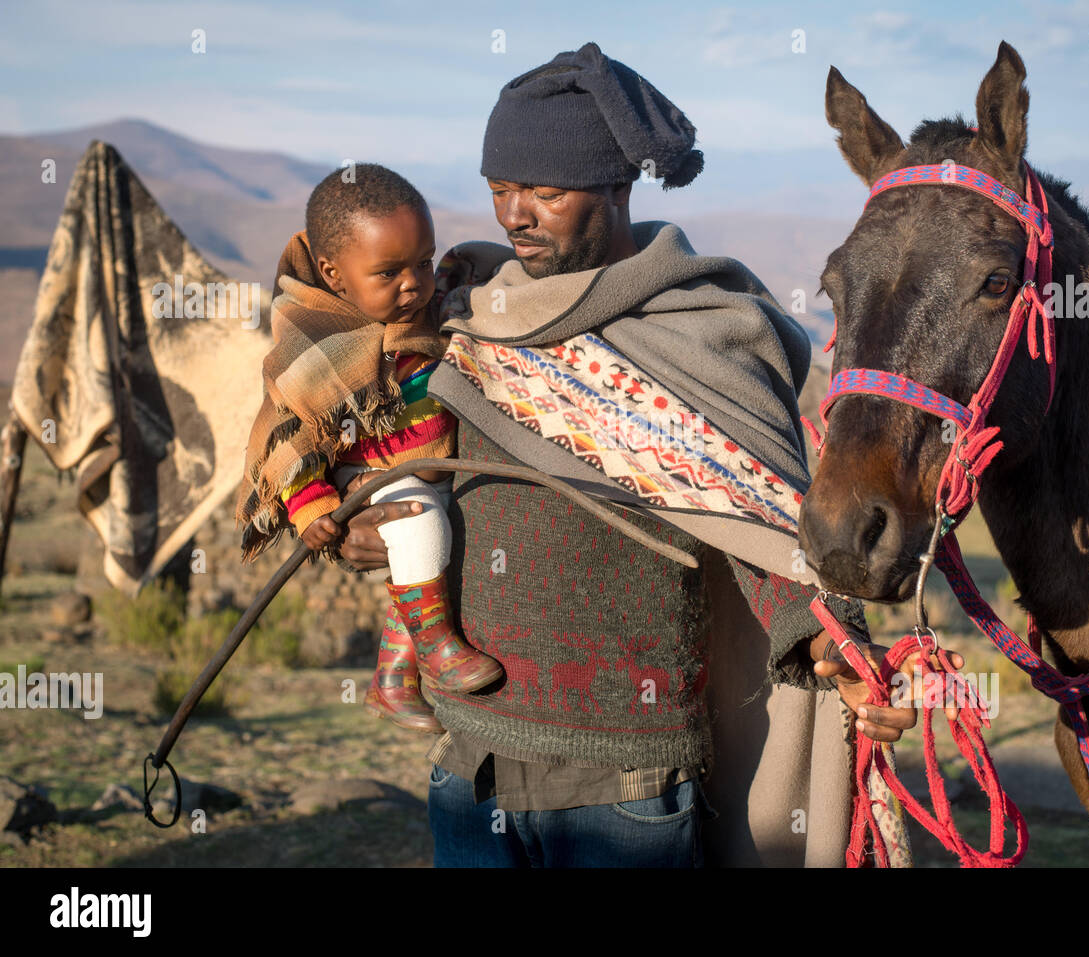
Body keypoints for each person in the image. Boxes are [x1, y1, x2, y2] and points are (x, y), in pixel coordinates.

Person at [339, 43, 945, 868]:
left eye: (545, 192)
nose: (515, 214)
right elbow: (400, 465)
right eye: (499, 190)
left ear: (618, 187)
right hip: (470, 767)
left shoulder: (710, 337)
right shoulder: (471, 324)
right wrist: (348, 524)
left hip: (634, 790)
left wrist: (830, 644)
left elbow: (766, 536)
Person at [234, 164, 501, 736]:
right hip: (373, 474)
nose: (415, 284)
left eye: (424, 263)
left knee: (425, 555)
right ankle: (436, 651)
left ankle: (391, 681)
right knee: (421, 526)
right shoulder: (314, 343)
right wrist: (310, 511)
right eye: (389, 272)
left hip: (432, 465)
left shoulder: (431, 317)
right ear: (334, 274)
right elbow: (290, 439)